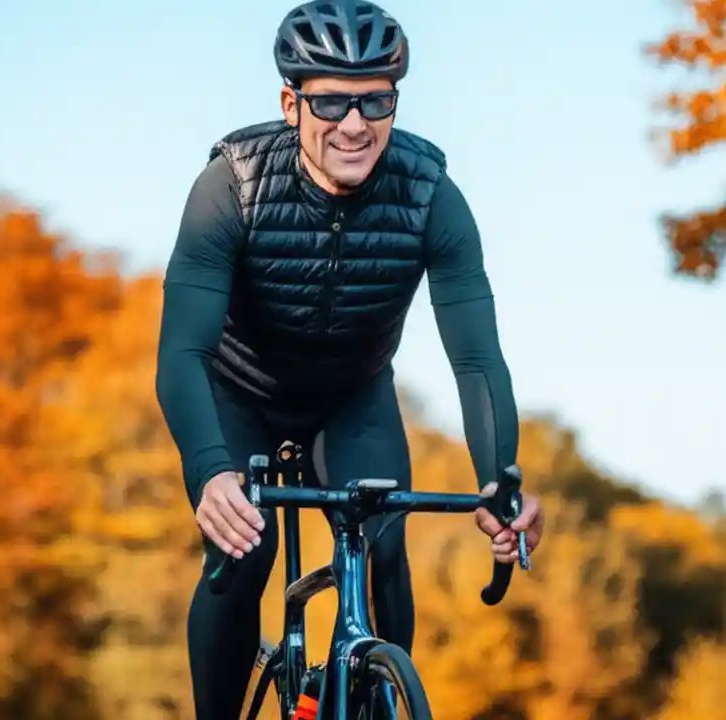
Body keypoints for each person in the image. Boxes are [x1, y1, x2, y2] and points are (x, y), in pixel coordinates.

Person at [155, 1, 545, 716]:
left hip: (351, 397)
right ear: (290, 102)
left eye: (376, 100)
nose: (355, 124)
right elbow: (182, 349)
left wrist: (501, 482)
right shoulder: (231, 186)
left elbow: (477, 358)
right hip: (238, 394)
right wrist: (213, 473)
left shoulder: (432, 195)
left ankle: (368, 693)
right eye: (331, 101)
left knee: (386, 546)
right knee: (244, 555)